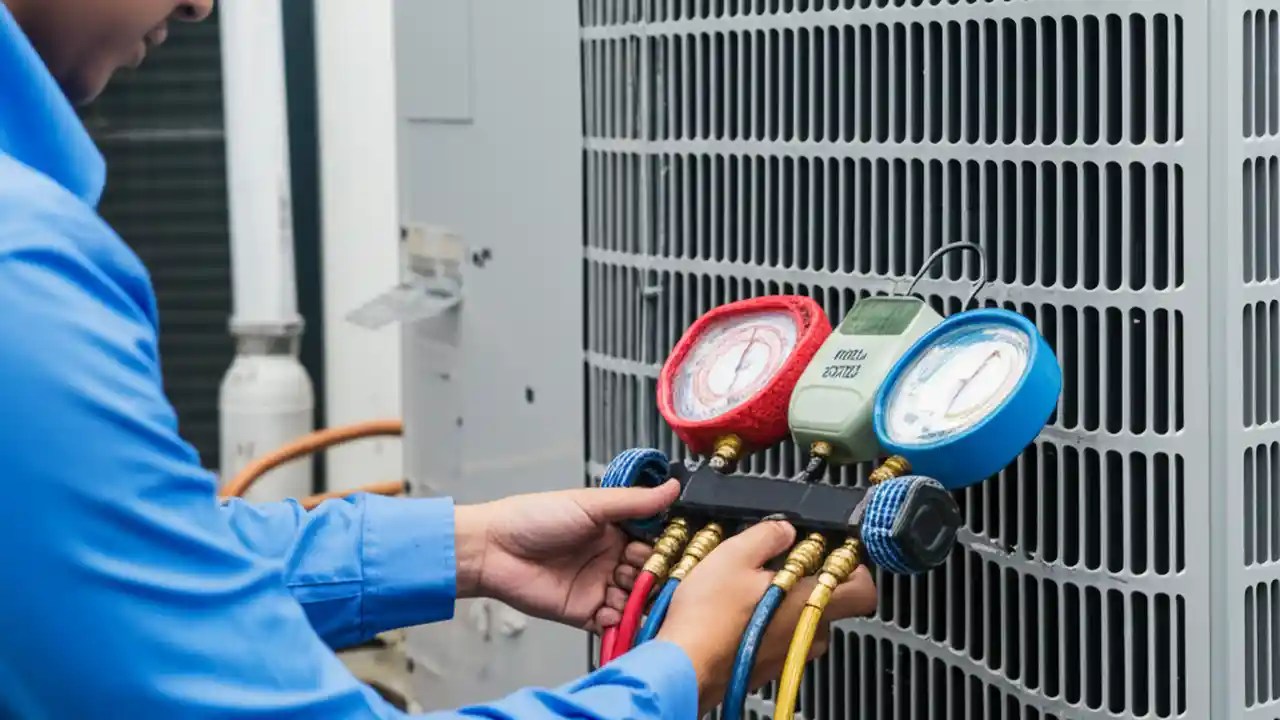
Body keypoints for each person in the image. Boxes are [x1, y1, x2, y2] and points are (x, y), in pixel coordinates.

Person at [0, 1, 878, 717]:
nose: (200, 5)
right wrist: (684, 675)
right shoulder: (25, 272)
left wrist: (471, 548)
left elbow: (114, 577)